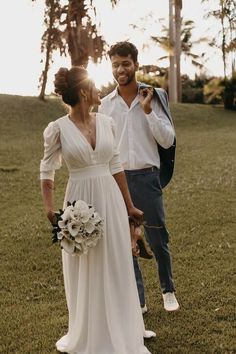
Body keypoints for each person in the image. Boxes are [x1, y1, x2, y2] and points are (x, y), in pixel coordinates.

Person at [40, 66, 155, 354]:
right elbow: (47, 170)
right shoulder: (58, 128)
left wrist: (129, 206)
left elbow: (115, 165)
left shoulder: (106, 122)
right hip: (79, 202)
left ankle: (124, 326)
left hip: (111, 199)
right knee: (86, 265)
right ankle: (92, 332)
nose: (100, 89)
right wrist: (50, 209)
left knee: (115, 261)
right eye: (94, 86)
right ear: (83, 92)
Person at [99, 41, 179, 313]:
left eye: (125, 63)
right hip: (117, 179)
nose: (120, 70)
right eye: (115, 65)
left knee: (157, 237)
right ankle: (139, 299)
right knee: (125, 240)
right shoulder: (105, 105)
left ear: (135, 63)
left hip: (147, 177)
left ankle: (168, 290)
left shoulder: (153, 97)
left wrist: (148, 112)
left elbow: (168, 141)